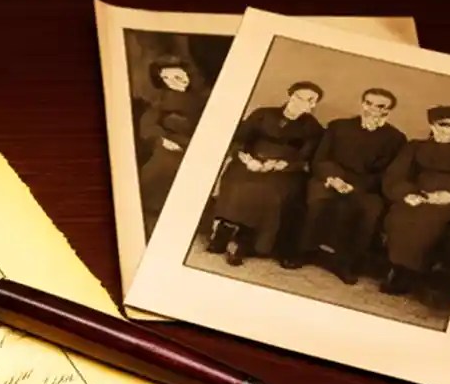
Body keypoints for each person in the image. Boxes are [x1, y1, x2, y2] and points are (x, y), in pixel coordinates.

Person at [287, 88, 406, 282]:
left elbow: (387, 173)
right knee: (318, 201)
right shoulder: (338, 127)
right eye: (368, 103)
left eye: (380, 106)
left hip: (365, 186)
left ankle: (345, 262)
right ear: (361, 103)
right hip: (330, 179)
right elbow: (320, 159)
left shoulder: (396, 138)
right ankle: (303, 251)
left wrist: (357, 186)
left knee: (369, 210)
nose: (372, 109)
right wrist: (333, 178)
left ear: (388, 111)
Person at [206, 81, 325, 265]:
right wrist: (247, 159)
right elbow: (240, 139)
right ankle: (224, 230)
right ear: (290, 96)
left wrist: (281, 164)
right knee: (239, 183)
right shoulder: (262, 114)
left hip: (284, 171)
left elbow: (305, 157)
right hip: (248, 162)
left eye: (310, 100)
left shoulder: (313, 128)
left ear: (313, 105)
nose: (302, 103)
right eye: (298, 97)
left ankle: (242, 240)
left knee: (270, 191)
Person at [379, 105, 450, 295]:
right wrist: (408, 193)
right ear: (433, 126)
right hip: (419, 196)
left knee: (432, 220)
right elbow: (395, 175)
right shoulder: (415, 147)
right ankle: (400, 270)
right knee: (404, 216)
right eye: (446, 125)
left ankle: (421, 273)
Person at [136, 56, 207, 239]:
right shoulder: (161, 101)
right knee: (165, 164)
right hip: (171, 143)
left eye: (178, 75)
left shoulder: (203, 97)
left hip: (199, 144)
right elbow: (147, 126)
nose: (176, 80)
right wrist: (162, 140)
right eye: (167, 78)